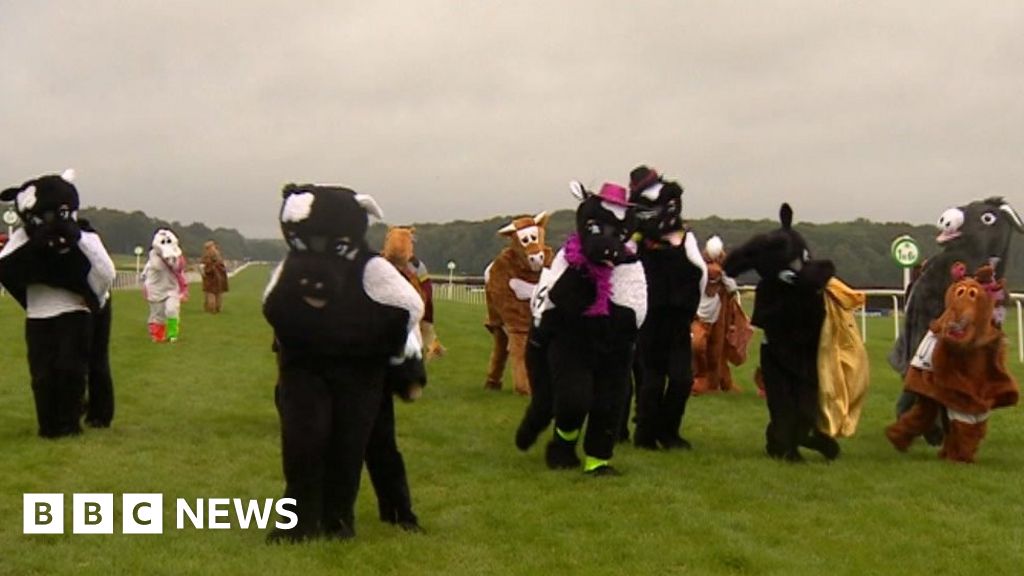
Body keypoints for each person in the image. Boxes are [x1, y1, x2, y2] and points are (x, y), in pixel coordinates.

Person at [200, 240, 229, 313]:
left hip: (211, 276)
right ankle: (218, 308)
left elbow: (204, 266)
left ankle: (211, 308)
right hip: (220, 276)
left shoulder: (207, 256)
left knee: (210, 293)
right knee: (219, 293)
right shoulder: (218, 255)